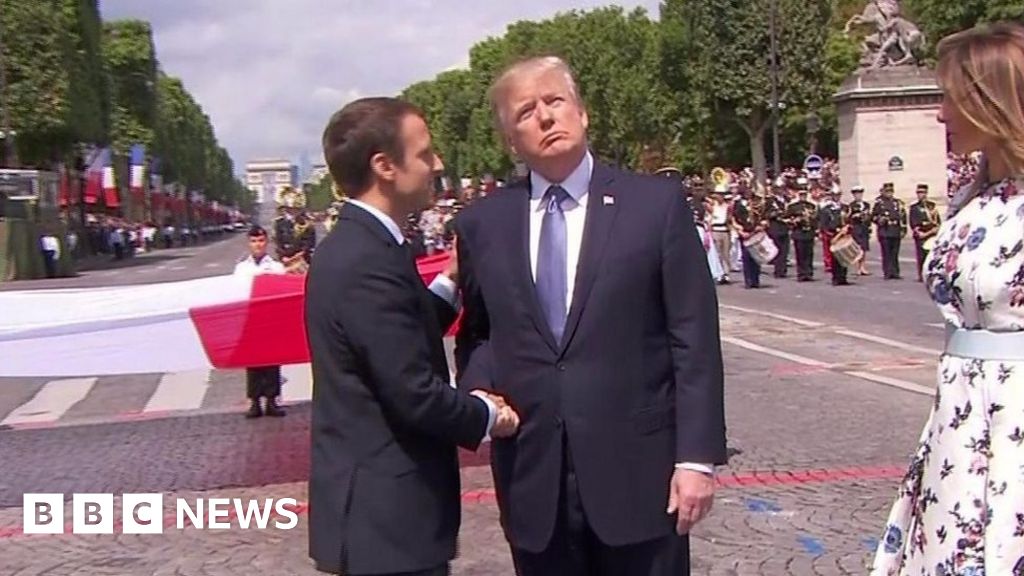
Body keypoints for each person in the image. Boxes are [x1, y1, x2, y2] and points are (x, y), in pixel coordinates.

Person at [453, 56, 727, 576]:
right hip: (534, 478)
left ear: (582, 112)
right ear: (511, 140)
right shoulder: (481, 225)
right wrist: (481, 390)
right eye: (526, 112)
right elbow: (479, 333)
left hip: (640, 477)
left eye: (554, 101)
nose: (545, 117)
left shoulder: (656, 206)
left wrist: (696, 458)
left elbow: (692, 337)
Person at [306, 97, 520, 576]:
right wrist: (490, 414)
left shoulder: (366, 244)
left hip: (381, 521)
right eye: (424, 153)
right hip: (386, 525)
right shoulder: (365, 260)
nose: (437, 164)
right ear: (384, 165)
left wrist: (450, 279)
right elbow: (413, 391)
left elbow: (403, 327)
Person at [870, 21, 1024, 576]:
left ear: (992, 103)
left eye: (950, 99)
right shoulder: (971, 196)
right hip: (959, 421)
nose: (939, 115)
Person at [232, 226, 287, 418]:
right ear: (249, 243)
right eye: (254, 241)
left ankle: (272, 401)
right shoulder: (241, 268)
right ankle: (255, 402)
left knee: (272, 360)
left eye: (261, 241)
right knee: (253, 361)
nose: (258, 245)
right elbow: (236, 293)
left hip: (270, 318)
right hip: (250, 319)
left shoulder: (276, 267)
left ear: (266, 243)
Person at [871, 182, 907, 279]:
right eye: (887, 191)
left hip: (895, 230)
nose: (889, 193)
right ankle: (887, 272)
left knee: (895, 253)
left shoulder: (897, 203)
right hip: (885, 231)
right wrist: (880, 220)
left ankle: (895, 272)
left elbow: (903, 216)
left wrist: (903, 229)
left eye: (891, 191)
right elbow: (873, 216)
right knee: (886, 253)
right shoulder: (879, 203)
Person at [907, 183, 940, 282]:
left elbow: (937, 221)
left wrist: (933, 231)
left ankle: (931, 273)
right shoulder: (914, 207)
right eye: (919, 193)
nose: (922, 195)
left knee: (932, 256)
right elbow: (913, 223)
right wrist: (921, 233)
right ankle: (921, 275)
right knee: (921, 256)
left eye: (924, 192)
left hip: (932, 234)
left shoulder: (932, 206)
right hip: (921, 234)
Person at [818, 189, 851, 286]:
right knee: (835, 257)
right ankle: (836, 277)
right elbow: (824, 224)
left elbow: (849, 220)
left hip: (844, 234)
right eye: (835, 195)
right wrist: (830, 233)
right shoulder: (827, 209)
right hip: (834, 235)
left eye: (838, 195)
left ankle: (843, 277)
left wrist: (847, 228)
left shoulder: (845, 207)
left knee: (844, 256)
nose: (837, 197)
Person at [787, 188, 819, 281]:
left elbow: (815, 219)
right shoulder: (793, 206)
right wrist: (795, 221)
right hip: (799, 232)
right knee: (800, 254)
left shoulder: (811, 206)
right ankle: (801, 273)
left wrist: (815, 229)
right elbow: (787, 219)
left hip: (809, 232)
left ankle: (809, 273)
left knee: (809, 254)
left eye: (804, 195)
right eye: (801, 195)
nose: (803, 196)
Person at [847, 186, 873, 275]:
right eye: (856, 194)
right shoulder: (851, 205)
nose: (858, 196)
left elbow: (870, 216)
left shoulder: (866, 205)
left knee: (864, 248)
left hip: (864, 228)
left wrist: (868, 220)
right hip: (856, 228)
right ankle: (857, 267)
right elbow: (848, 217)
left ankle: (862, 266)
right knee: (858, 248)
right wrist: (855, 216)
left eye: (860, 194)